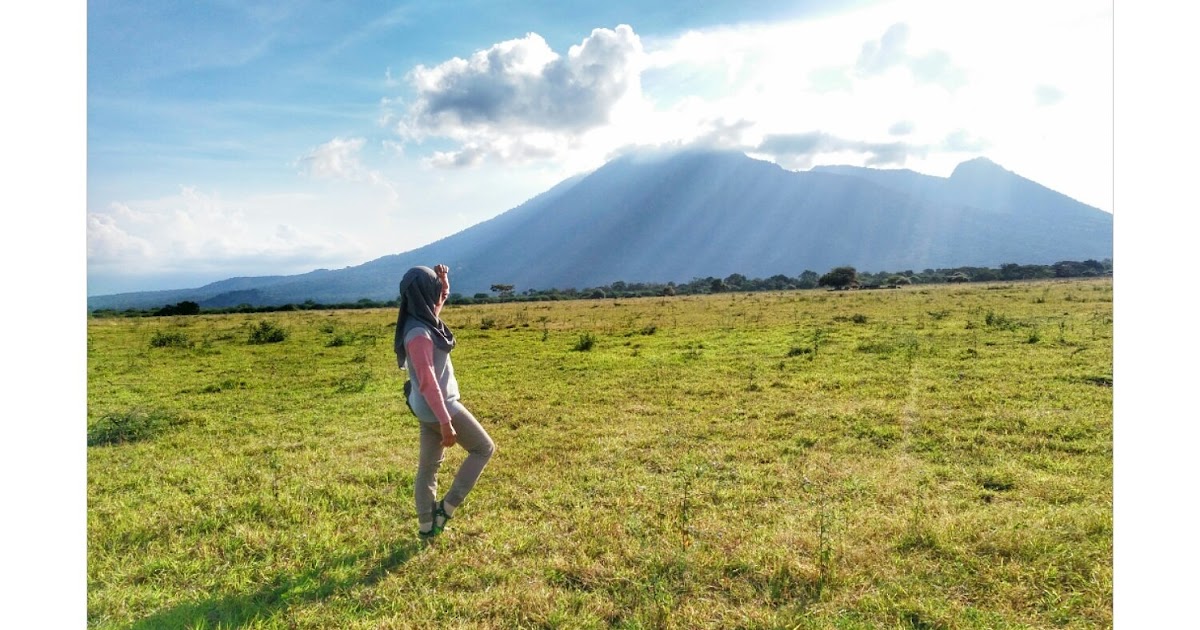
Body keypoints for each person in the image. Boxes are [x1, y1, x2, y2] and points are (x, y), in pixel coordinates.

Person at [394, 264, 495, 539]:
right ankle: (448, 507)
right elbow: (428, 382)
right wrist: (446, 422)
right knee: (484, 448)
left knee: (428, 467)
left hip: (424, 409)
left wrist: (443, 278)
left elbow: (441, 298)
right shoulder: (419, 334)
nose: (438, 293)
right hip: (440, 408)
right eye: (433, 287)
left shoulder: (422, 319)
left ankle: (426, 526)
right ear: (423, 293)